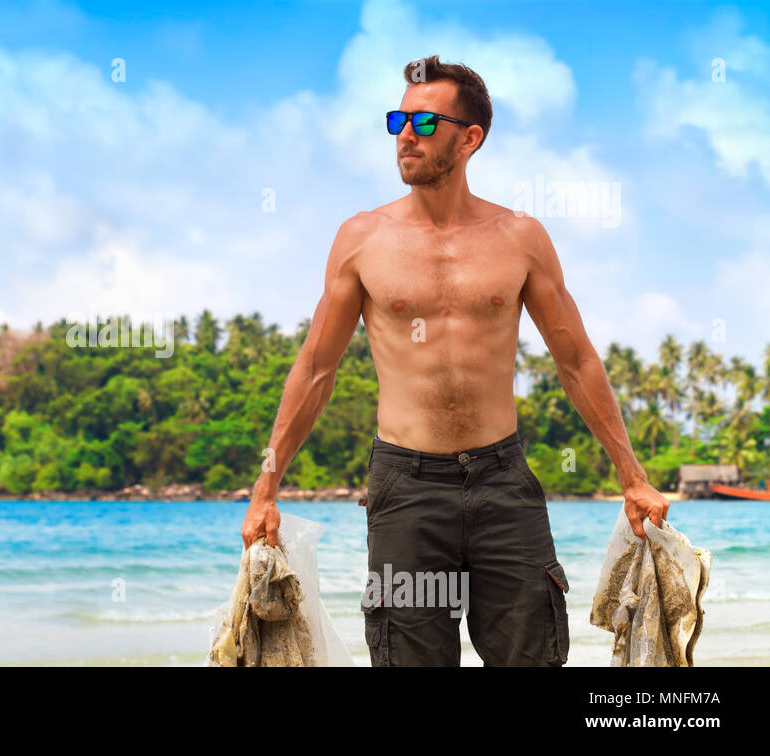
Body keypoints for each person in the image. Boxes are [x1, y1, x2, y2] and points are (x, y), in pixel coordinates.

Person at [239, 55, 669, 667]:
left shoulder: (520, 237)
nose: (405, 135)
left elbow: (575, 360)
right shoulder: (362, 238)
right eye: (397, 120)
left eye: (423, 122)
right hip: (405, 488)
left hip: (504, 483)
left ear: (470, 138)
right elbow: (315, 369)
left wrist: (632, 475)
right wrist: (265, 489)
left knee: (532, 657)